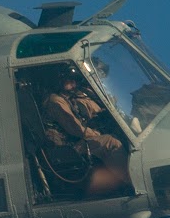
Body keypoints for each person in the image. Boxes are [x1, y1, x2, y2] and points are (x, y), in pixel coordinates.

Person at [39, 64, 129, 197]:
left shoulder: (74, 96)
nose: (73, 83)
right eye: (69, 80)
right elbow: (76, 129)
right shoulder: (56, 101)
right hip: (68, 148)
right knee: (110, 142)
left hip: (77, 141)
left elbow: (95, 110)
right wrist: (98, 134)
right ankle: (130, 182)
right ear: (59, 80)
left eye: (74, 79)